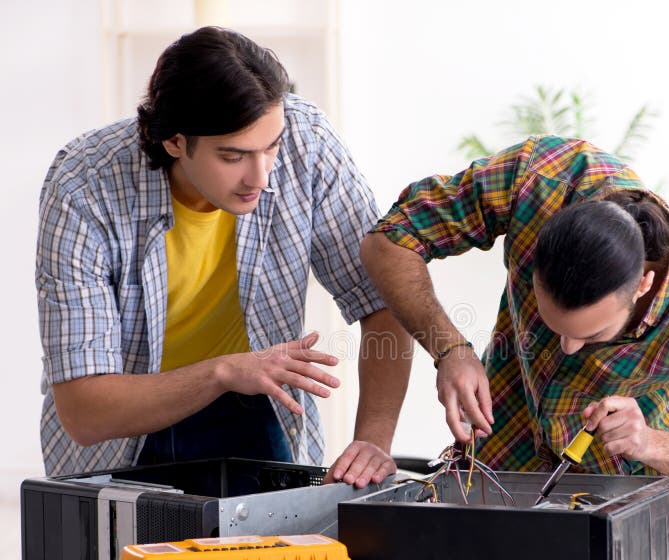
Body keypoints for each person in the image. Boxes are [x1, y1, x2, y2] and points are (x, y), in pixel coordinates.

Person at [36, 26, 412, 490]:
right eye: (232, 155)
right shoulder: (83, 184)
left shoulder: (307, 140)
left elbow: (384, 299)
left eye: (270, 147)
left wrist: (374, 439)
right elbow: (84, 411)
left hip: (254, 404)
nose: (260, 175)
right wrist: (223, 370)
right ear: (174, 141)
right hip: (120, 427)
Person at [360, 135, 669, 496]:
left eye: (593, 334)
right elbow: (389, 241)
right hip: (497, 468)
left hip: (615, 500)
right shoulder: (538, 180)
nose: (568, 347)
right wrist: (450, 349)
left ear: (642, 286)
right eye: (550, 322)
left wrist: (653, 444)